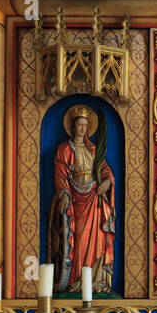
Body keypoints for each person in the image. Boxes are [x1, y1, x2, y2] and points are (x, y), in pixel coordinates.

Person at [47, 105, 116, 293]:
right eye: (79, 125)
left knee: (98, 239)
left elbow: (105, 168)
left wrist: (107, 182)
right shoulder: (64, 149)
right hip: (76, 198)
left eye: (86, 125)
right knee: (78, 239)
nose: (83, 129)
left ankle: (97, 281)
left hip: (94, 196)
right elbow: (60, 174)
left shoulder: (93, 149)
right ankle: (76, 279)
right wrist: (65, 194)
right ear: (72, 127)